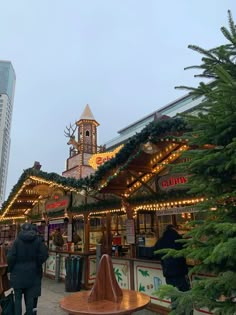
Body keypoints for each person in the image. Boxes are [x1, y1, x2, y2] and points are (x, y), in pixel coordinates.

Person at [7, 223, 48, 315]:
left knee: (17, 300)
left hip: (17, 274)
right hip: (32, 274)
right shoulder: (37, 241)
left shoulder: (17, 241)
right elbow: (44, 254)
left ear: (22, 230)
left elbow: (10, 257)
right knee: (30, 299)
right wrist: (37, 263)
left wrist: (10, 268)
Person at [154, 224, 190, 292]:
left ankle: (174, 303)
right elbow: (187, 250)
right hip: (180, 271)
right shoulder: (179, 238)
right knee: (184, 293)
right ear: (174, 229)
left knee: (173, 293)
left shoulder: (160, 240)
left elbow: (155, 253)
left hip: (168, 272)